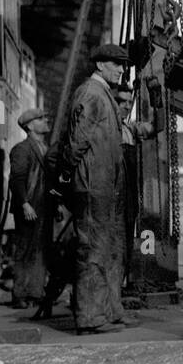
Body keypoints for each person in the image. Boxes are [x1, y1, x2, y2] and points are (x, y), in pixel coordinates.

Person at [64, 43, 128, 333]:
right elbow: (78, 141)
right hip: (93, 184)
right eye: (116, 64)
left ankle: (102, 313)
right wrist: (66, 174)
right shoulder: (92, 93)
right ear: (101, 65)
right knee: (91, 250)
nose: (122, 69)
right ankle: (89, 318)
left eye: (122, 64)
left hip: (100, 184)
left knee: (101, 250)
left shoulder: (101, 94)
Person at [114, 80, 164, 290]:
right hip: (113, 195)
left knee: (124, 241)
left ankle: (116, 288)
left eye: (128, 102)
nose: (127, 106)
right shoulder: (105, 129)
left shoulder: (129, 129)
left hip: (128, 195)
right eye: (121, 102)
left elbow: (156, 128)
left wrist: (157, 98)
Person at [8, 108, 50, 308]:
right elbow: (16, 179)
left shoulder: (44, 147)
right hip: (29, 208)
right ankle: (20, 295)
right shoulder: (22, 149)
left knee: (40, 251)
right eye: (41, 119)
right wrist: (24, 204)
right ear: (30, 125)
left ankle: (35, 292)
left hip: (42, 208)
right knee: (25, 251)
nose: (45, 121)